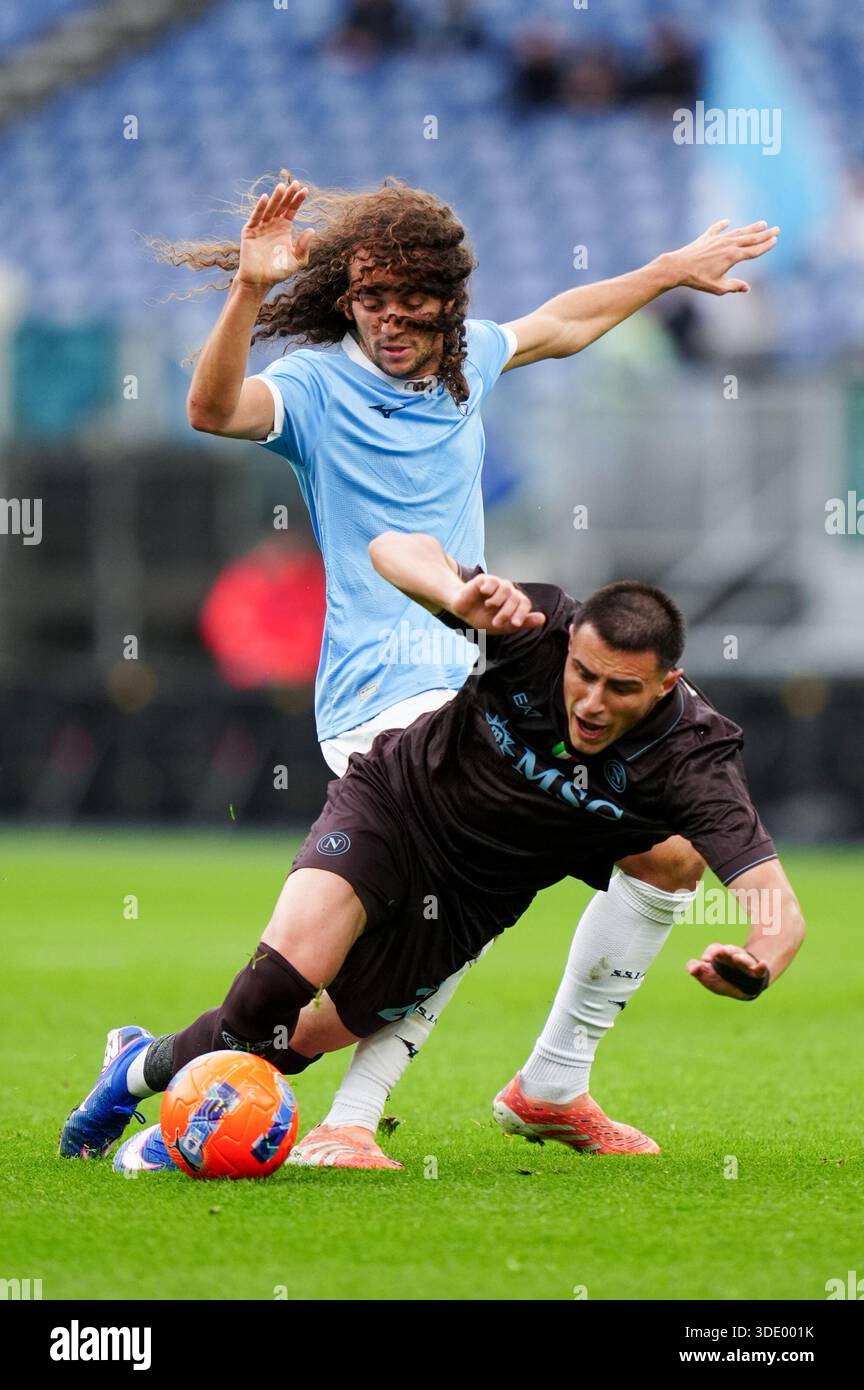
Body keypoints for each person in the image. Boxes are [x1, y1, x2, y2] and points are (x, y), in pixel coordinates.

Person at [110, 173, 778, 1169]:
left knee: (671, 854)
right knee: (486, 851)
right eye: (371, 303)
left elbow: (561, 321)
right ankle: (339, 1121)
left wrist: (670, 270)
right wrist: (249, 291)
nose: (388, 324)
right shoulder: (316, 386)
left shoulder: (469, 364)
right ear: (351, 297)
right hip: (378, 691)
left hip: (477, 685)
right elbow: (211, 410)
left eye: (410, 309)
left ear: (446, 309)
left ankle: (549, 1083)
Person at [59, 530, 805, 1169]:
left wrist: (760, 963)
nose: (590, 702)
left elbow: (777, 905)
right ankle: (187, 1128)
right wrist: (455, 591)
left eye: (621, 689)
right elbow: (392, 547)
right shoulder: (533, 626)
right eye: (582, 674)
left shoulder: (695, 758)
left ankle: (138, 1065)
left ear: (668, 685)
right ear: (569, 645)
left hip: (470, 899)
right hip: (394, 805)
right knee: (271, 991)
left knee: (295, 1041)